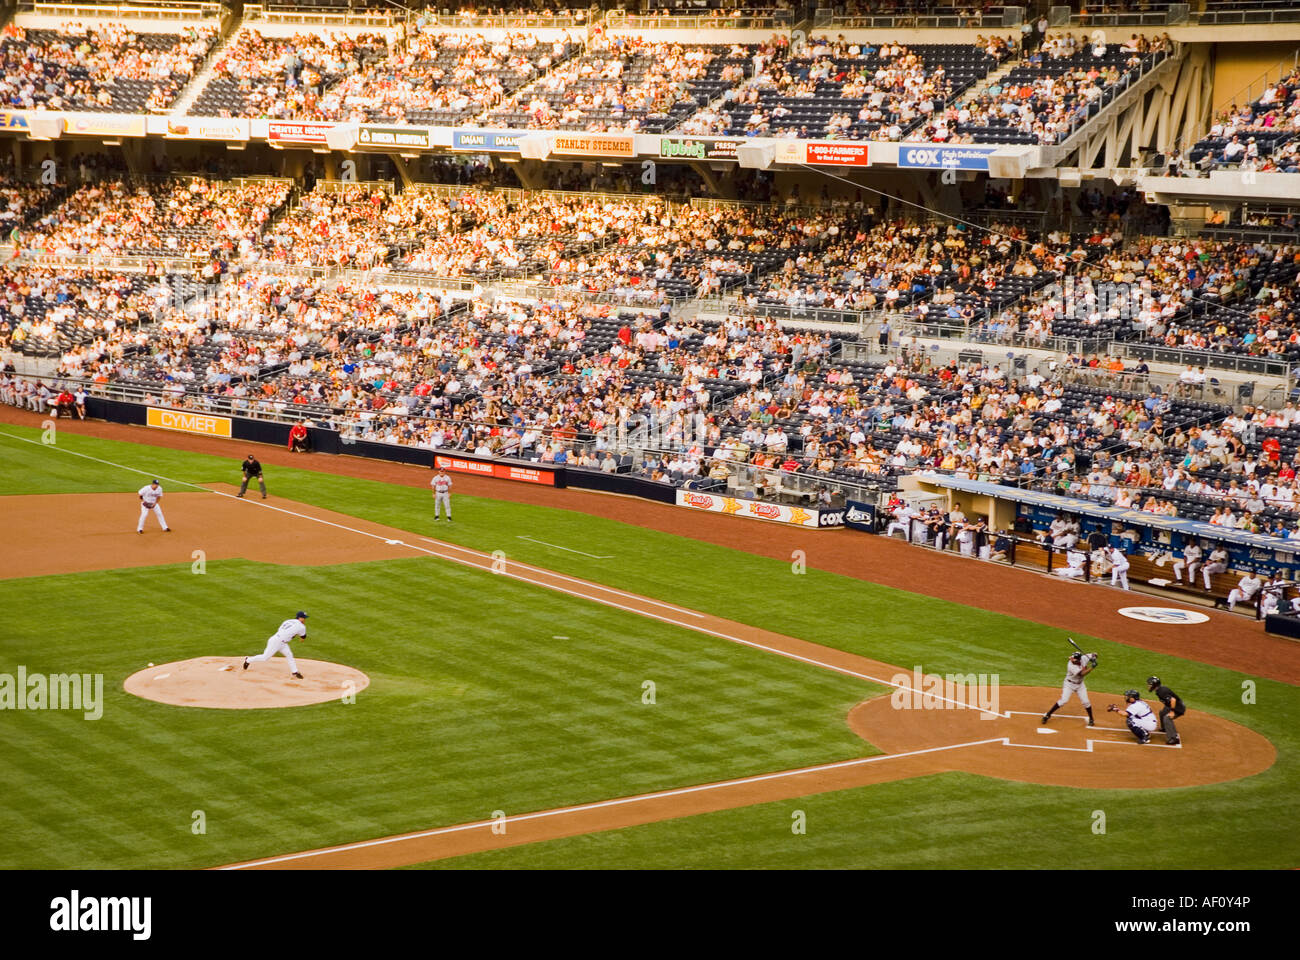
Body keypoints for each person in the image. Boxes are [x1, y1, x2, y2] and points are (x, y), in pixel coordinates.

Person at [243, 611, 308, 679]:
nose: (304, 619)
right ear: (299, 618)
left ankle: (295, 672)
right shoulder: (301, 627)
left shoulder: (288, 621)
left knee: (289, 655)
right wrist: (296, 636)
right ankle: (248, 660)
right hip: (276, 642)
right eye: (303, 618)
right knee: (265, 658)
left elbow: (280, 630)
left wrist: (291, 634)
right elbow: (303, 637)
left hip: (281, 642)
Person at [1041, 649, 1097, 726]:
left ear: (1078, 660)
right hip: (1069, 684)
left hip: (1080, 685)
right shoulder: (1071, 665)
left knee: (1086, 702)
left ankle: (1091, 718)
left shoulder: (1084, 658)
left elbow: (1095, 654)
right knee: (1064, 700)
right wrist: (1092, 667)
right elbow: (1082, 674)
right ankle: (1048, 714)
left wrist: (1093, 658)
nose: (1071, 659)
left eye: (1073, 659)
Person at [1146, 676, 1184, 746]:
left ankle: (1174, 738)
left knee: (1167, 718)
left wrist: (1172, 711)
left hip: (1178, 707)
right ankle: (1164, 728)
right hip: (1172, 705)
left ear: (1154, 685)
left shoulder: (1161, 692)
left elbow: (1173, 700)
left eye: (1150, 684)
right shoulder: (1159, 690)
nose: (1148, 686)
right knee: (1162, 713)